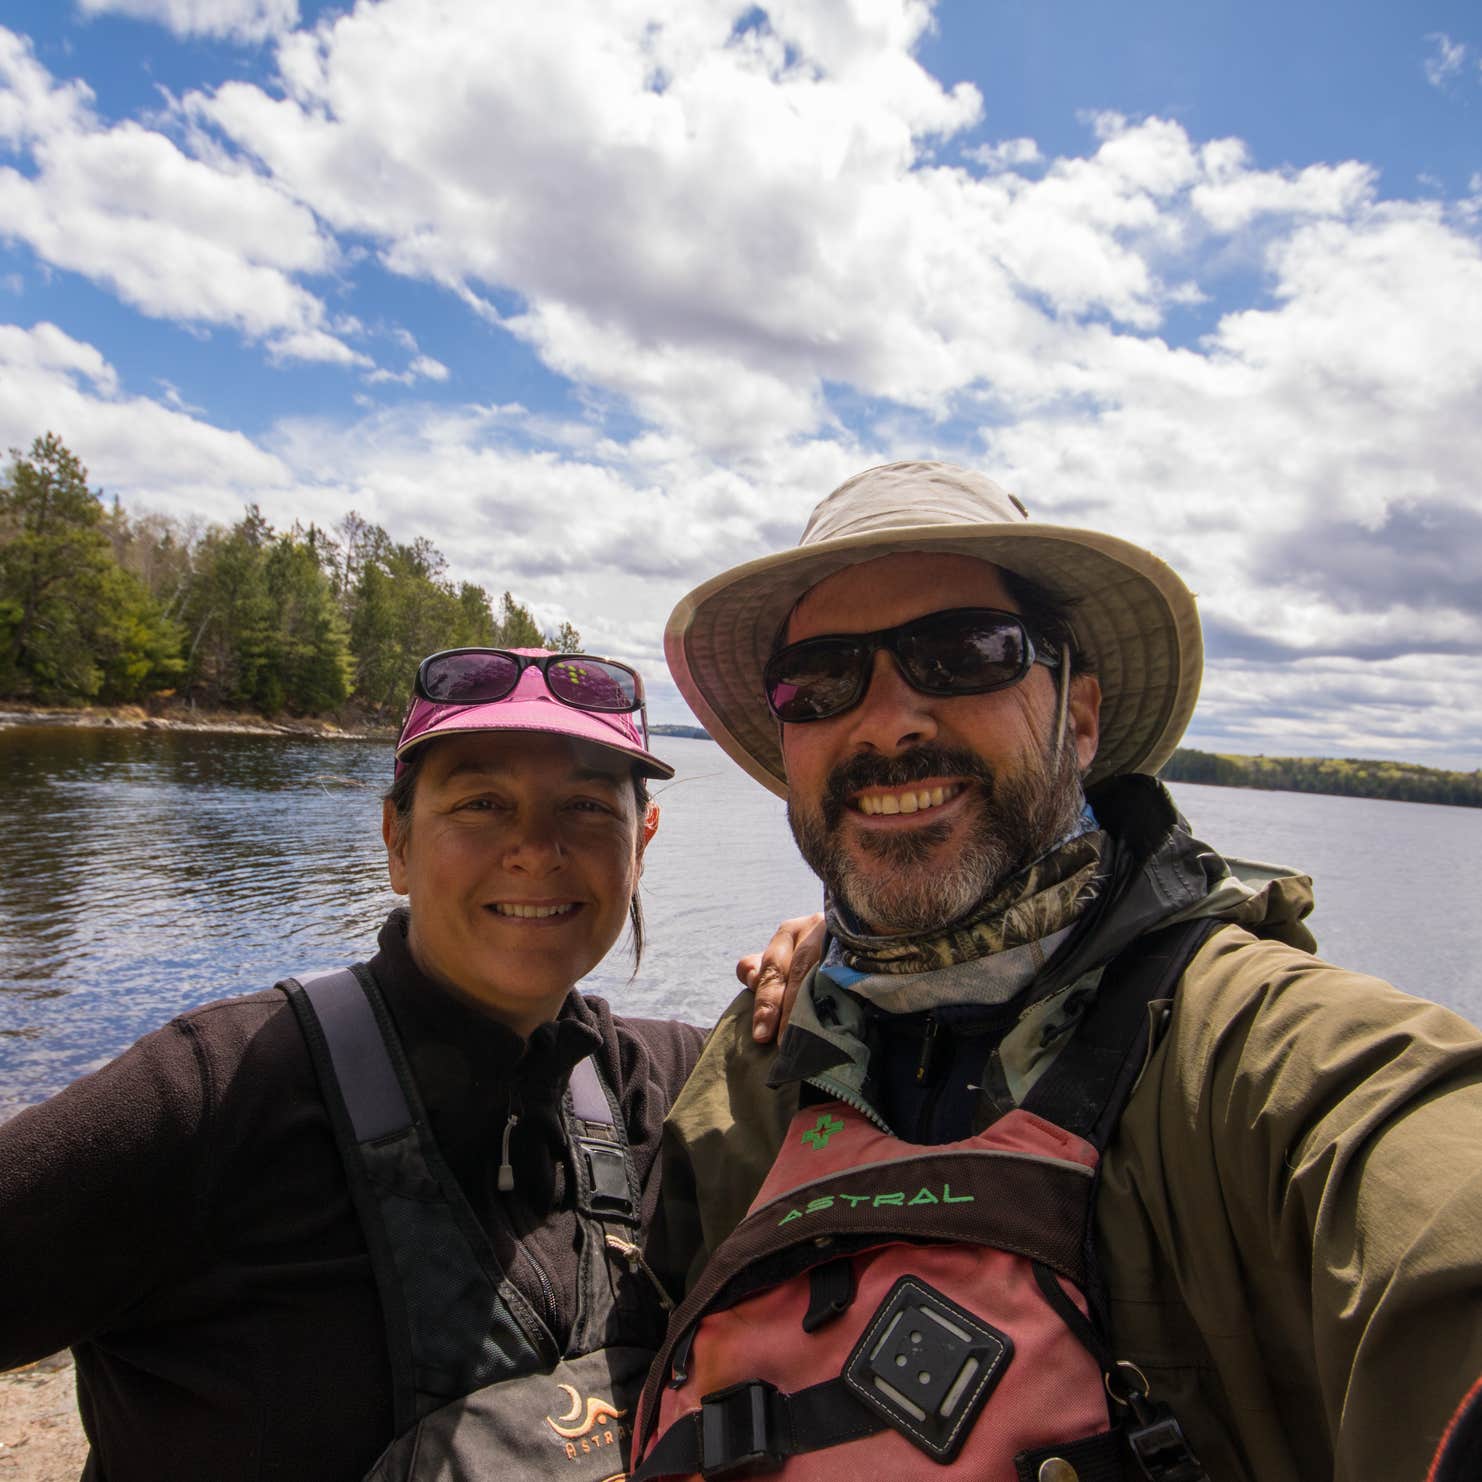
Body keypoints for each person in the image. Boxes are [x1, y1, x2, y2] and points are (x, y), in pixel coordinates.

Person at [632, 462, 1482, 1482]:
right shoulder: (757, 1060)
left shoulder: (1261, 1059)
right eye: (819, 679)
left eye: (964, 654)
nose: (888, 721)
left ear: (1079, 719)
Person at [0, 646, 798, 1482]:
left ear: (643, 842)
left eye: (586, 807)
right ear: (397, 842)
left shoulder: (674, 1085)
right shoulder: (220, 1091)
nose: (536, 848)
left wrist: (837, 963)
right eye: (482, 803)